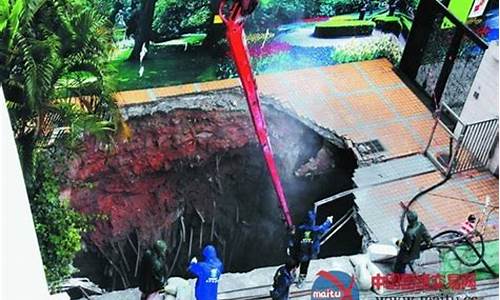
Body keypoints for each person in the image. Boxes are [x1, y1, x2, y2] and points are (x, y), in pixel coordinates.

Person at [295, 210, 333, 287]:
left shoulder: (300, 228)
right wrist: (328, 221)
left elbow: (295, 238)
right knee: (304, 266)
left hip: (300, 250)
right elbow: (324, 227)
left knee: (296, 263)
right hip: (309, 251)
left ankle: (291, 275)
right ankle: (301, 279)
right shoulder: (316, 229)